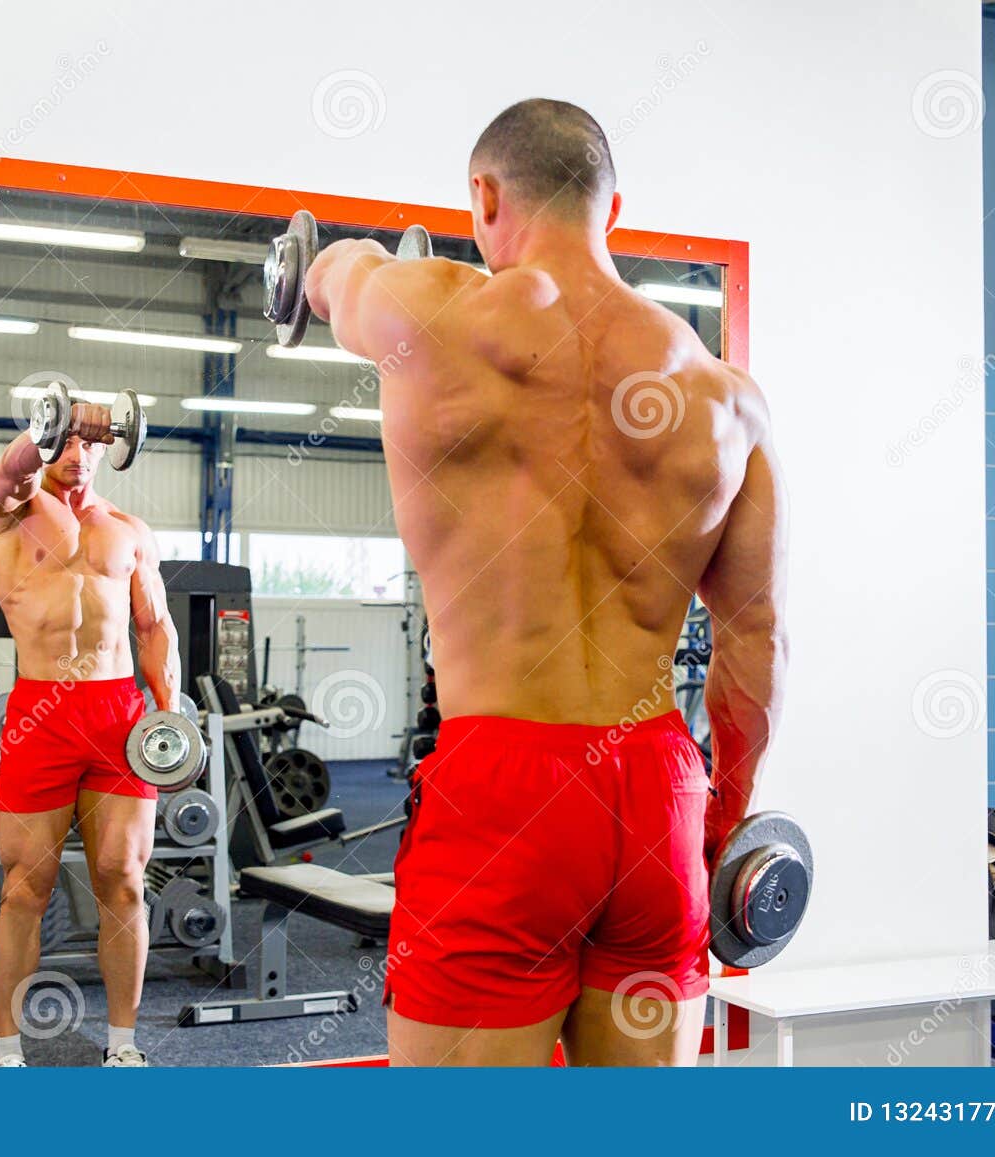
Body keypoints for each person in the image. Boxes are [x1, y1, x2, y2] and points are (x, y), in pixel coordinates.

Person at [305, 98, 787, 1066]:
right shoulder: (726, 395)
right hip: (659, 785)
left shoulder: (435, 311)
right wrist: (719, 812)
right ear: (613, 208)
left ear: (483, 195)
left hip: (504, 786)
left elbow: (327, 275)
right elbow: (757, 638)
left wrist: (340, 257)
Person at [0, 403, 180, 1068]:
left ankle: (123, 1044)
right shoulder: (7, 510)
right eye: (68, 437)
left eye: (93, 439)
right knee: (24, 889)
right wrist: (48, 423)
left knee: (123, 879)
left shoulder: (127, 528)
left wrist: (167, 711)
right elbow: (8, 474)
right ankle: (8, 1050)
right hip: (42, 713)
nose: (79, 451)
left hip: (119, 713)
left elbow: (153, 626)